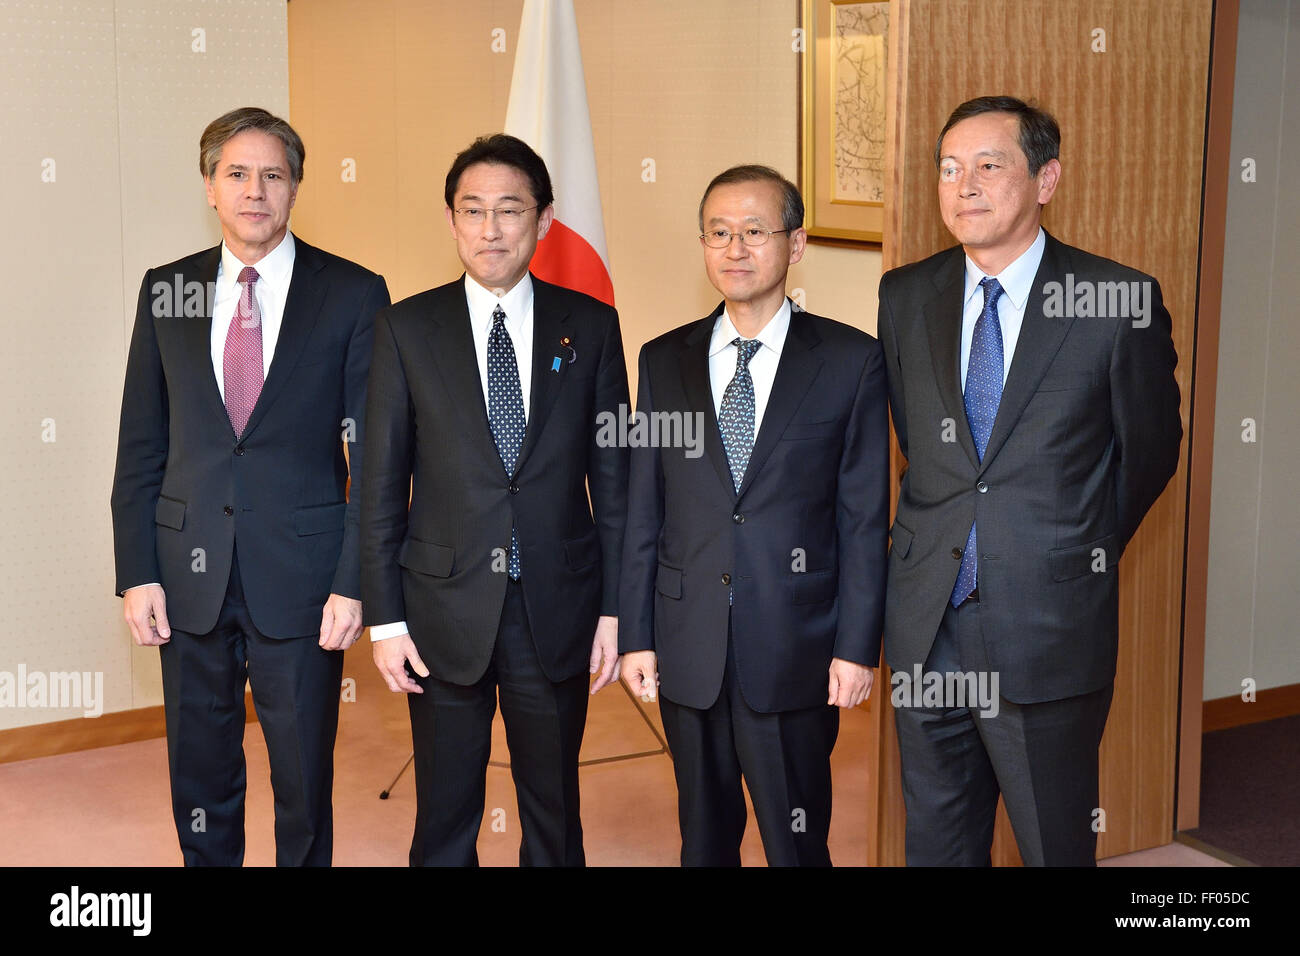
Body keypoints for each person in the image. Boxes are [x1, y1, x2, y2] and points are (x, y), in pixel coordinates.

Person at [877, 95, 1182, 866]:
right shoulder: (906, 295)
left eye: (989, 165)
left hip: (1047, 626)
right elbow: (926, 450)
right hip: (928, 622)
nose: (964, 185)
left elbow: (1146, 453)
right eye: (949, 168)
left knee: (1053, 842)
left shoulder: (1116, 301)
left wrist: (1071, 544)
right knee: (938, 842)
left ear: (1046, 180)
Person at [111, 106, 390, 865]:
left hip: (304, 579)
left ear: (296, 187)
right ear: (210, 186)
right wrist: (136, 572)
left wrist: (354, 580)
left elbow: (375, 457)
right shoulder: (166, 290)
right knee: (200, 773)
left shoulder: (354, 294)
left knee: (302, 776)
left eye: (273, 174)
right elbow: (141, 445)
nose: (255, 190)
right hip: (185, 574)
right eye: (237, 173)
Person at [361, 133, 629, 867]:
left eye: (509, 211)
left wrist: (615, 608)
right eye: (472, 210)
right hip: (440, 608)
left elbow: (615, 481)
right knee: (445, 815)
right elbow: (381, 487)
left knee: (553, 811)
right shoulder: (406, 328)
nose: (490, 229)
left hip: (559, 604)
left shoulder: (592, 327)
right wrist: (384, 620)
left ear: (544, 220)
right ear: (450, 221)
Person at [619, 165, 890, 866]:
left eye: (755, 231)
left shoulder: (850, 362)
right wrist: (637, 635)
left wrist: (857, 647)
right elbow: (644, 509)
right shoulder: (664, 360)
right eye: (718, 232)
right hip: (687, 644)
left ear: (795, 244)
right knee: (703, 840)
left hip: (795, 645)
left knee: (796, 841)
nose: (734, 248)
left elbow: (862, 519)